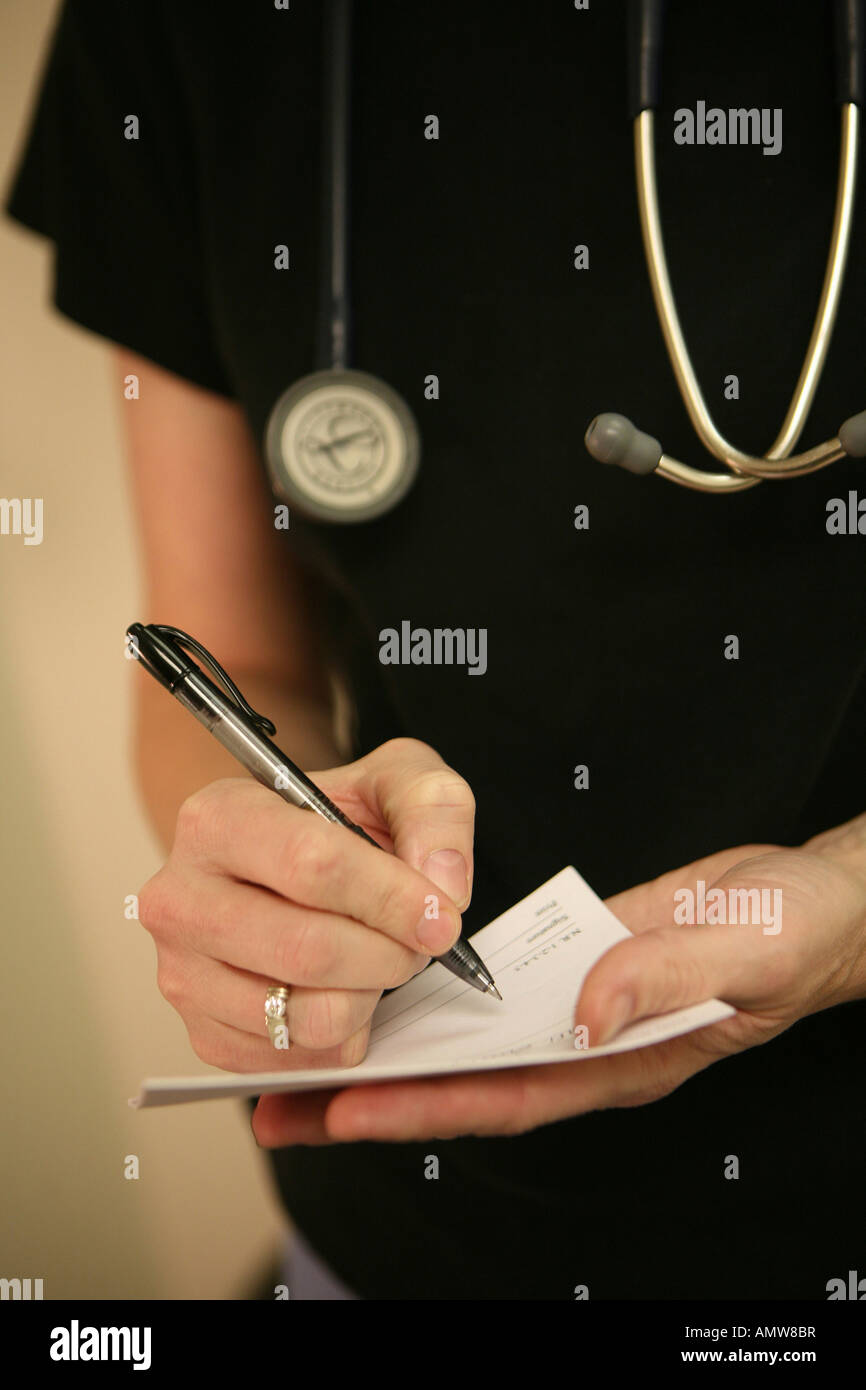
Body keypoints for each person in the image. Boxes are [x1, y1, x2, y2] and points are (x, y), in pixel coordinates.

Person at [5, 0, 866, 1301]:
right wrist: (270, 875)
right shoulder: (178, 31)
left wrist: (848, 913)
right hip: (399, 1232)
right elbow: (226, 656)